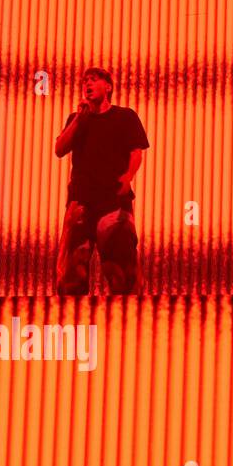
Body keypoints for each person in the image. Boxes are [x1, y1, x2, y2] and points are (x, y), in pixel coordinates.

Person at [53, 67, 150, 295]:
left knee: (121, 264)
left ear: (108, 86)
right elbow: (59, 149)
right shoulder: (77, 119)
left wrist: (128, 176)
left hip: (114, 198)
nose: (87, 84)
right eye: (85, 81)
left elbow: (137, 151)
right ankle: (73, 321)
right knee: (73, 268)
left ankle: (127, 317)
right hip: (81, 201)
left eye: (93, 80)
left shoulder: (125, 116)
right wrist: (79, 119)